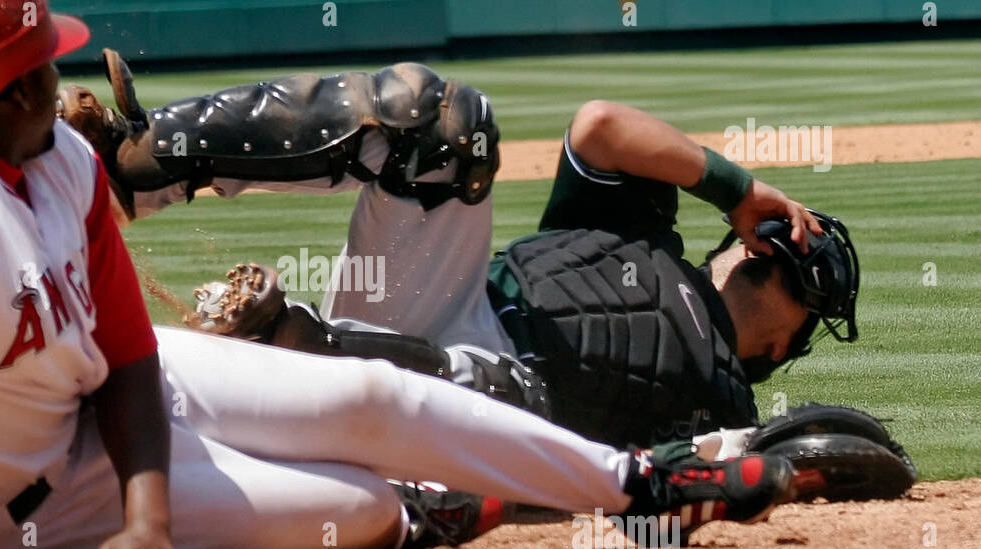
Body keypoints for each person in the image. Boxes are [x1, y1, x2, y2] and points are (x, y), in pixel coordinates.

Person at [0, 0, 795, 549]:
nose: (64, 76)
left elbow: (131, 355)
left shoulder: (60, 164)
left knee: (376, 401)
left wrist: (154, 513)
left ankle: (635, 486)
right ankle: (460, 494)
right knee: (361, 508)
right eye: (44, 67)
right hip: (7, 522)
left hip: (103, 418)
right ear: (3, 93)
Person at [59, 58, 859, 451]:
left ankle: (287, 346)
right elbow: (601, 124)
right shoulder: (642, 231)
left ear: (786, 344)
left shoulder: (731, 413)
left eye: (811, 272)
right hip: (439, 302)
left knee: (520, 392)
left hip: (463, 428)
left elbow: (823, 460)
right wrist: (736, 186)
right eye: (793, 233)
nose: (798, 243)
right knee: (442, 119)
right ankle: (127, 170)